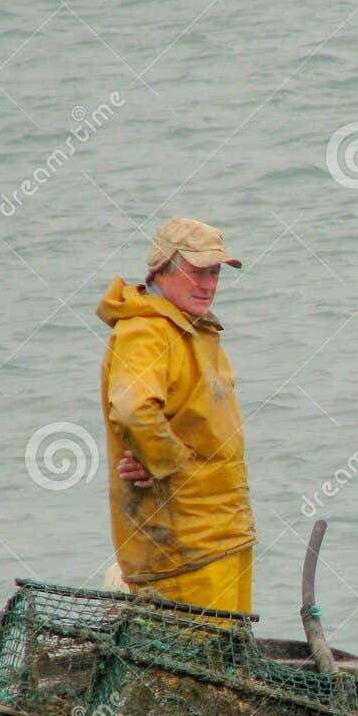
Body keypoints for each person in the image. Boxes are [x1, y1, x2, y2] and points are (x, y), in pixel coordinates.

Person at [97, 216, 256, 614]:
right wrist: (165, 463)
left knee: (224, 663)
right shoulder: (146, 331)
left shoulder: (193, 330)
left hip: (222, 535)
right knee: (186, 670)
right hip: (181, 549)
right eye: (196, 270)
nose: (208, 284)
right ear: (161, 269)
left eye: (215, 272)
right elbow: (133, 409)